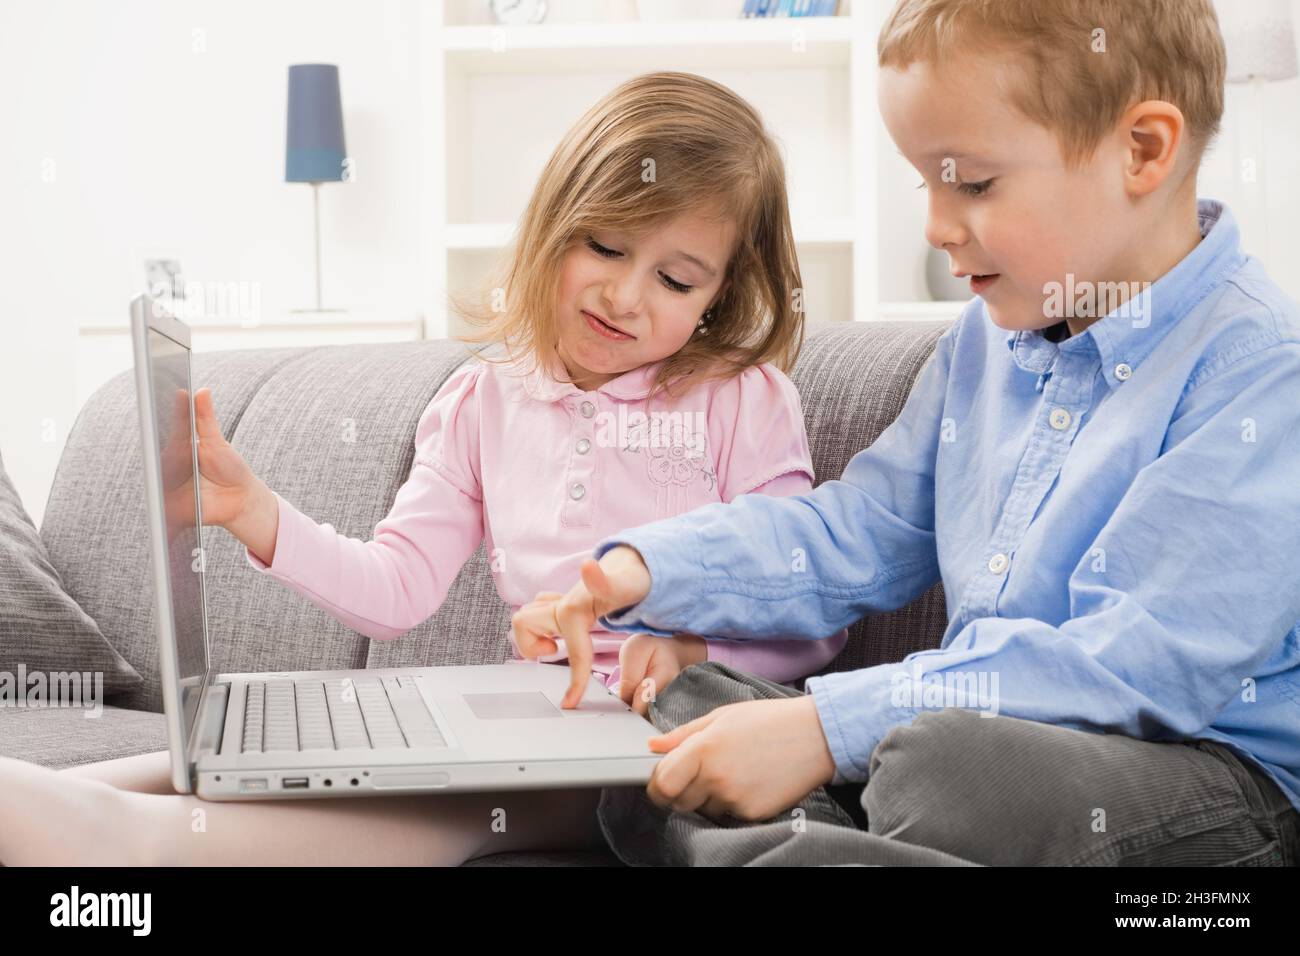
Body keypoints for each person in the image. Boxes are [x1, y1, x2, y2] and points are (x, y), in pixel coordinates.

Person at [513, 0, 1300, 866]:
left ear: (1142, 149)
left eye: (972, 182)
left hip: (1204, 782)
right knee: (689, 695)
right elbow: (855, 531)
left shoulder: (1259, 369)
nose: (933, 222)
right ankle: (814, 850)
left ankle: (782, 847)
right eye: (923, 181)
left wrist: (824, 727)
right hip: (961, 741)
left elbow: (1131, 669)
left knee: (939, 766)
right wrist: (643, 569)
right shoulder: (984, 342)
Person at [0, 71, 847, 866]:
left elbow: (812, 615)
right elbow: (397, 586)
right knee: (199, 760)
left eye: (673, 278)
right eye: (604, 246)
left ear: (720, 295)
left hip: (648, 740)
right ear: (555, 224)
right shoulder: (484, 398)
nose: (625, 296)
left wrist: (688, 652)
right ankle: (78, 811)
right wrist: (257, 511)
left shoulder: (744, 401)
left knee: (371, 814)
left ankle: (114, 842)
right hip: (535, 717)